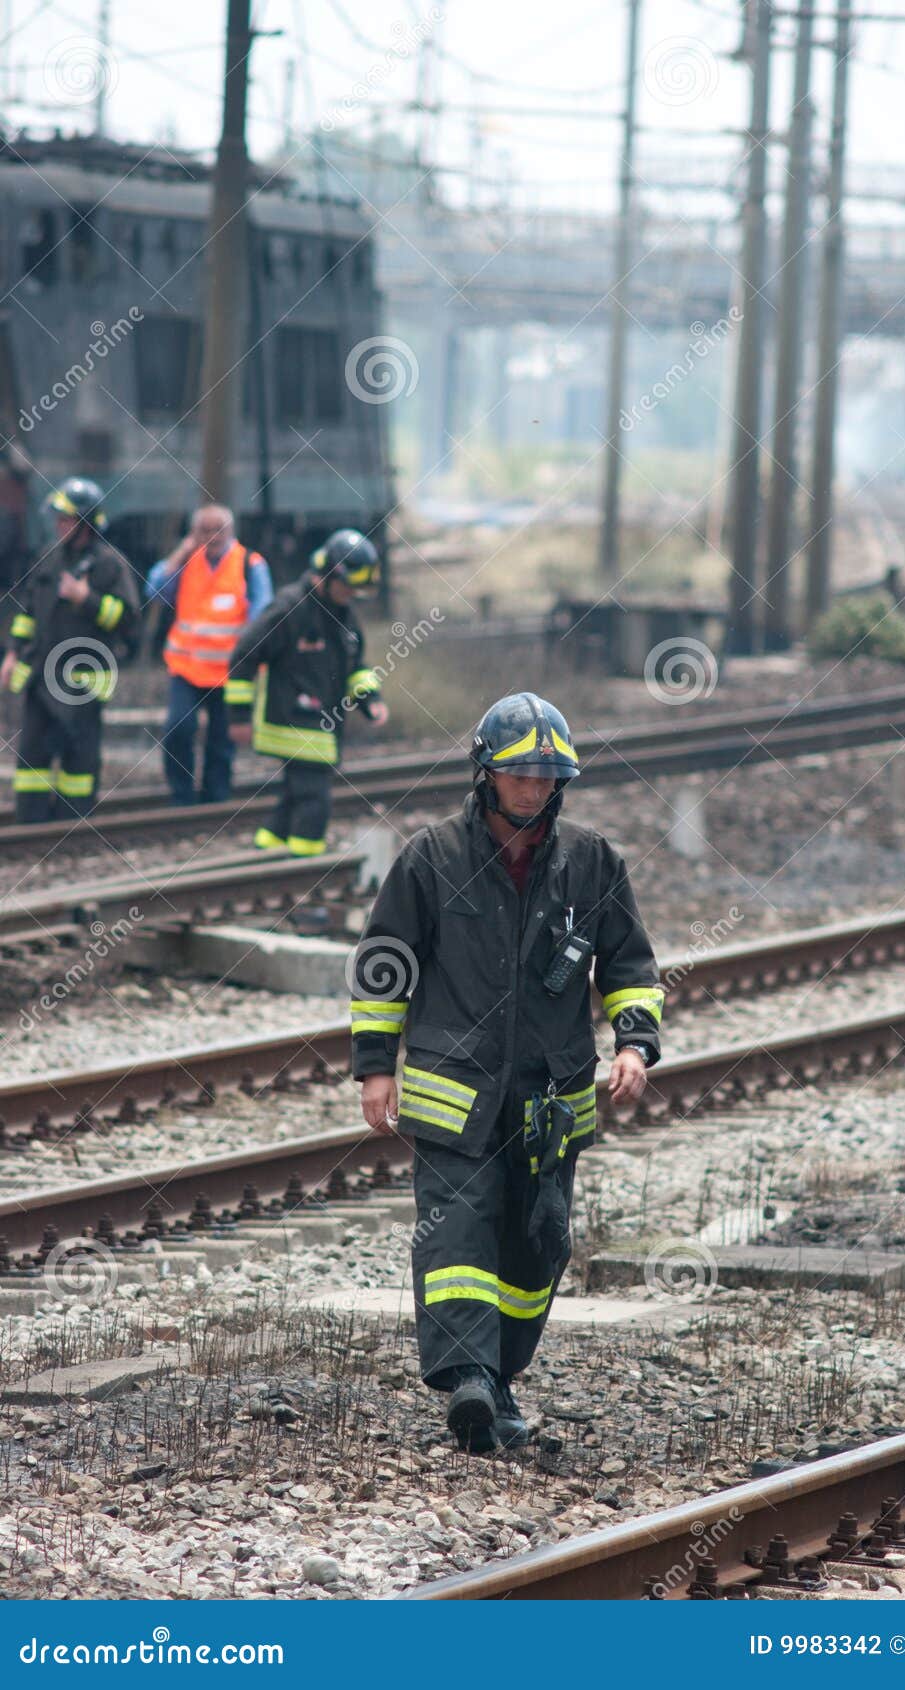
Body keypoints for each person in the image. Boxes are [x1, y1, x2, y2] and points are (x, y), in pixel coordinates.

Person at [351, 692, 663, 1454]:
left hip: (550, 1098)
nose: (533, 788)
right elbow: (385, 964)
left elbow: (628, 963)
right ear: (486, 773)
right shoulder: (431, 857)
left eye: (547, 775)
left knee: (537, 1243)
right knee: (457, 1232)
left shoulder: (590, 862)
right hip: (453, 1093)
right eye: (520, 773)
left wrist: (633, 1044)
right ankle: (467, 1376)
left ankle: (500, 1377)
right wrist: (373, 1068)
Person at [227, 528, 388, 856]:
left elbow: (355, 665)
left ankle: (267, 850)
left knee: (294, 793)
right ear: (328, 575)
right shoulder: (290, 608)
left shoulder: (344, 616)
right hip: (292, 721)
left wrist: (370, 700)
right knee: (315, 801)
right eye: (347, 587)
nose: (351, 595)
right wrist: (239, 716)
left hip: (321, 727)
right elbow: (244, 654)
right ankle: (306, 875)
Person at [0, 477, 139, 821]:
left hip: (83, 683)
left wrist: (86, 599)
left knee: (79, 756)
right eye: (58, 518)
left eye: (67, 519)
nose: (59, 525)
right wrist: (13, 653)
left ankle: (71, 825)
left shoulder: (110, 564)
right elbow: (27, 613)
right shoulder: (48, 559)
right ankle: (31, 824)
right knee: (32, 754)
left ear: (86, 524)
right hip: (39, 677)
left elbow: (127, 621)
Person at [145, 505, 273, 806]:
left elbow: (262, 613)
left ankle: (216, 800)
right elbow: (154, 591)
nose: (212, 536)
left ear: (231, 532)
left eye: (218, 530)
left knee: (222, 739)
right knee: (179, 727)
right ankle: (182, 797)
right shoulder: (186, 561)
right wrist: (181, 551)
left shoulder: (249, 564)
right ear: (194, 533)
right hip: (186, 669)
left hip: (229, 672)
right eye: (204, 530)